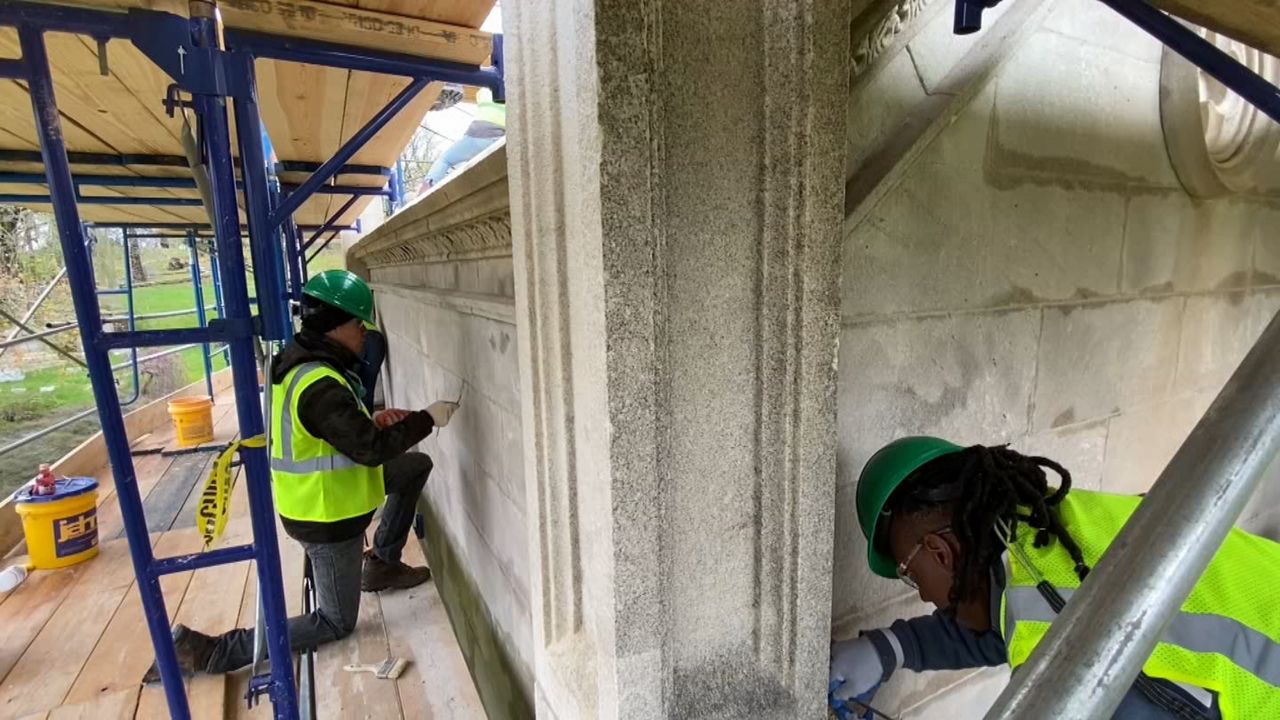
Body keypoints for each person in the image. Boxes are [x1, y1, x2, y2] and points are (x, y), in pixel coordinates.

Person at [145, 270, 460, 679]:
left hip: (337, 491)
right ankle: (212, 652)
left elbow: (330, 431)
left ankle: (382, 562)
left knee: (415, 466)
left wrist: (370, 418)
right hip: (327, 517)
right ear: (334, 326)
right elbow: (369, 450)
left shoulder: (302, 362)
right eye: (357, 324)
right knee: (334, 621)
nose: (365, 333)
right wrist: (426, 419)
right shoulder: (319, 383)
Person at [829, 437, 1280, 719]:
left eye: (910, 575)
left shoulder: (1078, 635)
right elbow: (1005, 625)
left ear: (941, 552)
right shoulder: (1042, 534)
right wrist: (889, 648)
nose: (925, 595)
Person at [418, 87, 505, 193]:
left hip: (475, 133)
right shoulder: (513, 88)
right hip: (499, 136)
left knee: (445, 160)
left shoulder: (482, 91)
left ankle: (427, 186)